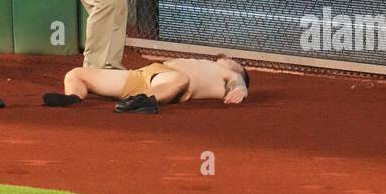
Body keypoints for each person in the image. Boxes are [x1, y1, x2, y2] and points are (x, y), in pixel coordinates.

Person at [44, 55, 250, 114]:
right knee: (77, 74)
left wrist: (240, 88)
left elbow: (236, 81)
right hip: (145, 74)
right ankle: (73, 97)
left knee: (180, 79)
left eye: (236, 61)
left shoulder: (228, 73)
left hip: (172, 83)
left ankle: (145, 101)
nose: (229, 58)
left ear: (238, 69)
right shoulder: (209, 63)